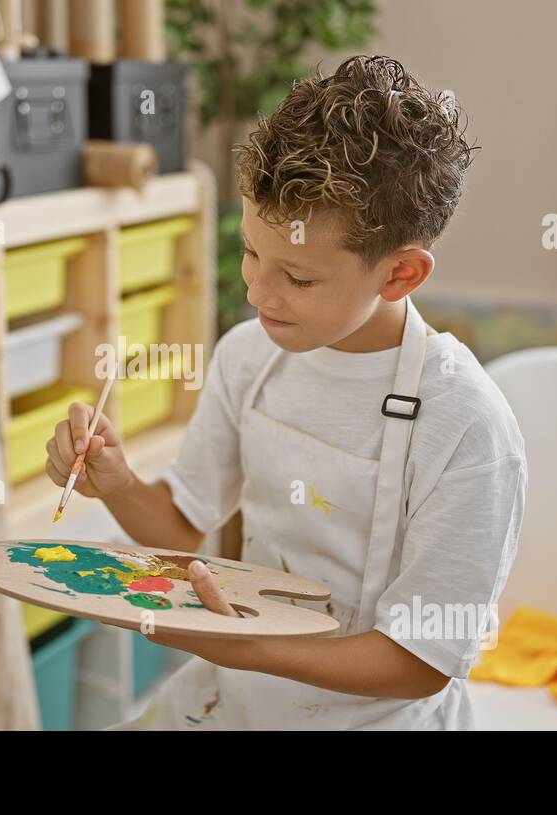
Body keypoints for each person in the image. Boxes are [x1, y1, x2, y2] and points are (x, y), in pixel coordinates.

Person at [45, 55, 526, 730]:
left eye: (297, 278)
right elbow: (184, 524)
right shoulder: (248, 356)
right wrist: (117, 480)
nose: (258, 292)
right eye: (249, 252)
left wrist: (249, 647)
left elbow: (422, 657)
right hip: (234, 705)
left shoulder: (466, 425)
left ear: (401, 273)